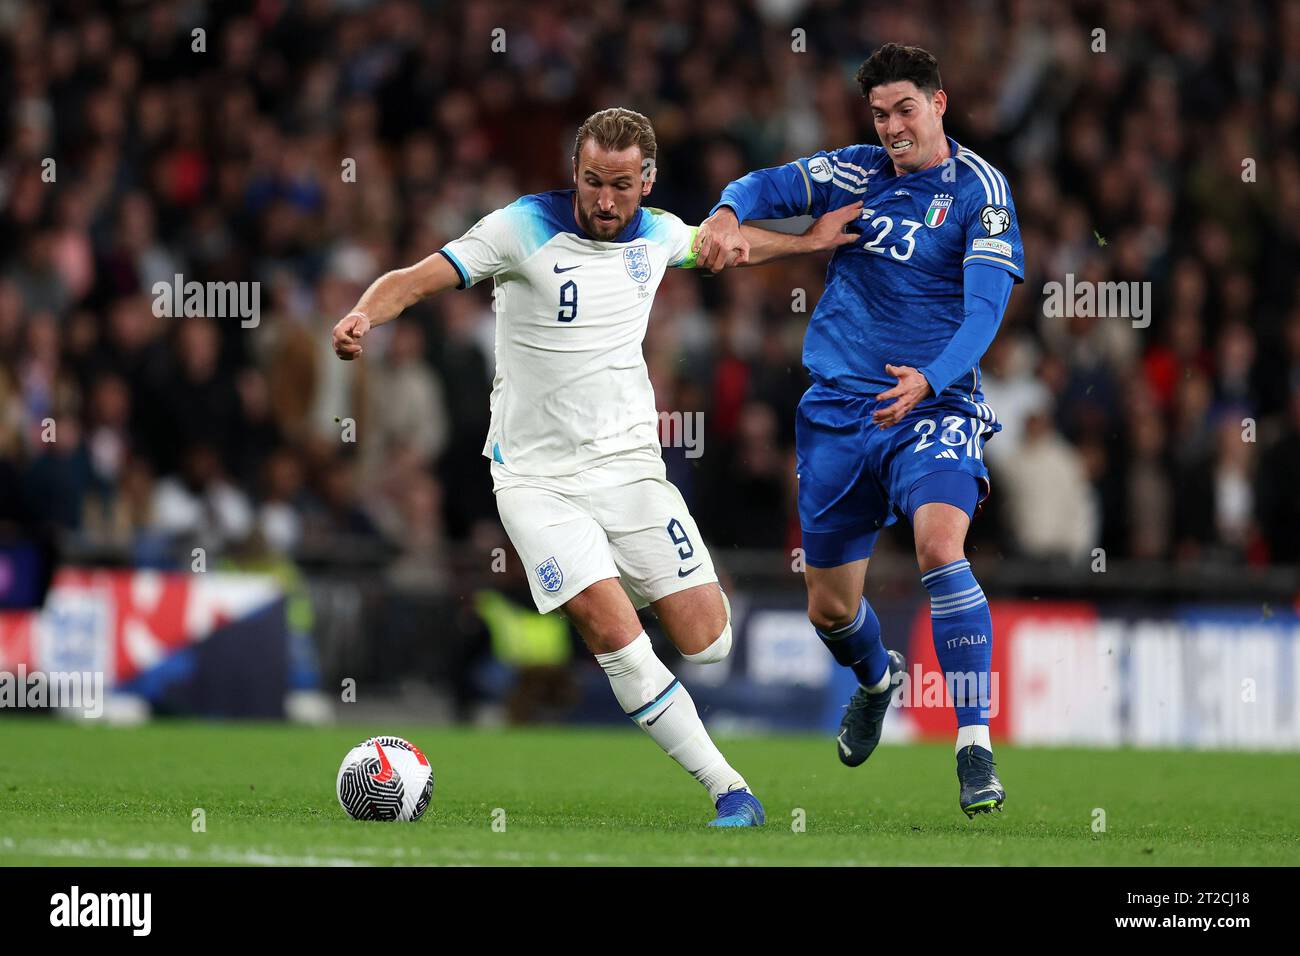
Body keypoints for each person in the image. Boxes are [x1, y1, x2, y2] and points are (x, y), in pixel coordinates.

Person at [332, 107, 858, 827]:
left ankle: (618, 580)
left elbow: (724, 245)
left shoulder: (659, 234)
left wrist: (812, 239)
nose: (604, 201)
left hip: (630, 469)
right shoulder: (521, 228)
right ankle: (730, 790)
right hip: (535, 481)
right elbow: (421, 277)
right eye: (591, 182)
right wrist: (365, 314)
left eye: (620, 186)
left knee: (709, 641)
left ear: (645, 181)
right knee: (612, 632)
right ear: (573, 173)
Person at [694, 44, 1024, 818]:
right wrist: (724, 214)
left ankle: (973, 742)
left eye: (905, 109)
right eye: (879, 114)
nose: (892, 127)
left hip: (931, 407)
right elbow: (767, 184)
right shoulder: (854, 170)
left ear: (939, 104)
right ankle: (879, 681)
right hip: (840, 411)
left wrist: (931, 381)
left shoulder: (981, 190)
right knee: (831, 610)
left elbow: (984, 310)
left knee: (942, 545)